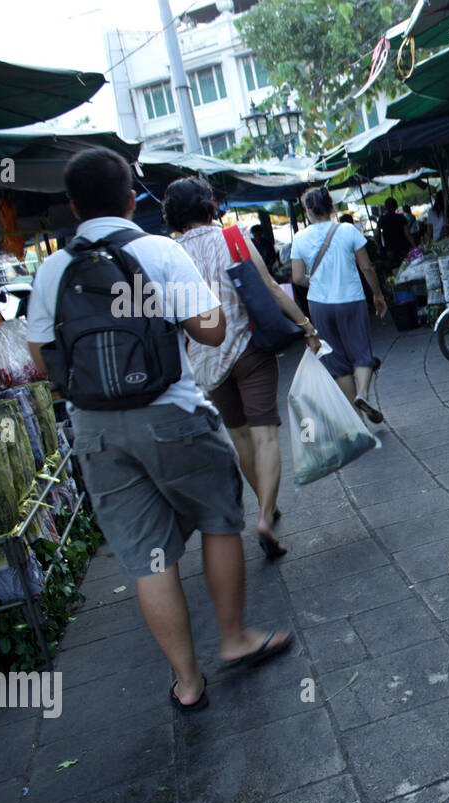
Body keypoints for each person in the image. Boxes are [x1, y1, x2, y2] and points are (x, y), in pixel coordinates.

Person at [25, 147, 293, 711]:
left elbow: (38, 357)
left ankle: (188, 682)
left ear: (73, 207)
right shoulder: (157, 250)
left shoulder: (52, 270)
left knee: (148, 553)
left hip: (95, 428)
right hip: (170, 409)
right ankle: (234, 638)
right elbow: (213, 332)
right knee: (220, 519)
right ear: (129, 199)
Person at [161, 177, 321, 561]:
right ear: (209, 205)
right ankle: (265, 515)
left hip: (205, 360)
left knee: (241, 439)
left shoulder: (168, 253)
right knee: (265, 435)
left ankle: (266, 505)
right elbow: (271, 288)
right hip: (249, 348)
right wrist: (306, 326)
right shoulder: (231, 238)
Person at [290, 186, 387, 423]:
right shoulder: (347, 230)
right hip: (351, 300)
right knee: (361, 351)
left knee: (337, 360)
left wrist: (315, 281)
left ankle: (357, 419)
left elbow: (296, 277)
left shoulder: (300, 238)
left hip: (320, 305)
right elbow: (367, 267)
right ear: (331, 207)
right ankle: (362, 394)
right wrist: (378, 295)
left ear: (308, 211)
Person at [377, 198, 412, 270]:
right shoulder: (401, 217)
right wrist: (414, 245)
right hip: (403, 247)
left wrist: (379, 247)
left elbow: (376, 235)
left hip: (389, 249)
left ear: (386, 207)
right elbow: (407, 234)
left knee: (394, 270)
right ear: (396, 206)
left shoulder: (382, 219)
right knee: (407, 268)